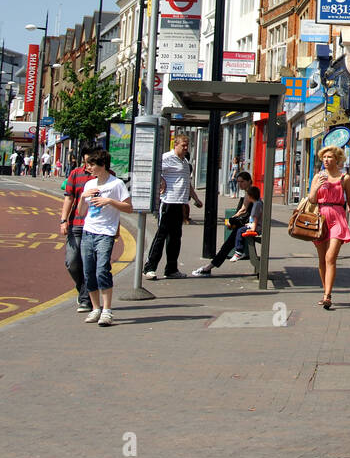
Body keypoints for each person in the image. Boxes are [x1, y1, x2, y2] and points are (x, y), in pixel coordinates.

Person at [79, 148, 135, 327]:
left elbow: (128, 207)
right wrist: (82, 198)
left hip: (106, 233)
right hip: (88, 232)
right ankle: (96, 308)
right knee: (88, 272)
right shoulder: (89, 185)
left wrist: (109, 201)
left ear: (102, 165)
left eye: (92, 165)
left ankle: (107, 310)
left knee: (102, 270)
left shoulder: (116, 184)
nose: (89, 168)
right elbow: (81, 212)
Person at [143, 134, 203, 280]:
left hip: (180, 203)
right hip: (168, 201)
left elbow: (186, 183)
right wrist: (161, 179)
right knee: (161, 235)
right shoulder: (166, 158)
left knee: (175, 238)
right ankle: (149, 268)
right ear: (175, 145)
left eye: (187, 145)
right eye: (183, 145)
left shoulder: (185, 162)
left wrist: (196, 199)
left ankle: (171, 269)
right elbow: (153, 171)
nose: (186, 148)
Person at [308, 146, 350, 309]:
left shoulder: (345, 178)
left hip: (338, 217)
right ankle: (325, 292)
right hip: (321, 218)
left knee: (330, 257)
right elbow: (311, 199)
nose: (326, 160)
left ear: (337, 159)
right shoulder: (318, 177)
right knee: (322, 259)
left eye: (329, 157)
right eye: (324, 157)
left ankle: (328, 295)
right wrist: (316, 187)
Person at [191, 173, 255, 275]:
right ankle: (208, 268)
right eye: (238, 182)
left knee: (226, 246)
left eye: (242, 181)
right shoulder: (250, 191)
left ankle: (208, 268)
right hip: (246, 224)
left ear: (248, 181)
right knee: (227, 246)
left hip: (245, 225)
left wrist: (231, 219)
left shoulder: (249, 193)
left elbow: (243, 210)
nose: (240, 184)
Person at [60, 149, 95, 312]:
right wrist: (63, 220)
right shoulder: (75, 174)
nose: (88, 166)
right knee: (72, 262)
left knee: (89, 262)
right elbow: (69, 197)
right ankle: (83, 288)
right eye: (86, 161)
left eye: (91, 162)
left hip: (95, 226)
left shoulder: (105, 175)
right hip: (77, 224)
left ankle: (85, 299)